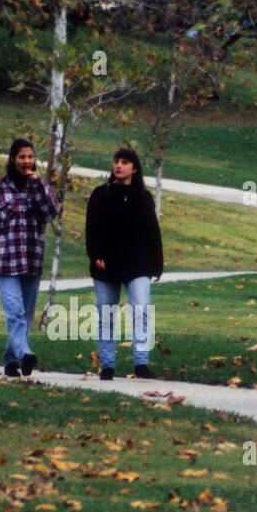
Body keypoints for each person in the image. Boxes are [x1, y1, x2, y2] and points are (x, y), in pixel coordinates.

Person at [0, 138, 61, 377]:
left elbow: (50, 213)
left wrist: (38, 188)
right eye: (22, 157)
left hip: (32, 260)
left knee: (26, 314)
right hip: (4, 260)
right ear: (13, 159)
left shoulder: (41, 186)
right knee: (15, 312)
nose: (27, 161)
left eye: (31, 157)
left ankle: (11, 360)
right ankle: (25, 354)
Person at [85, 147, 163, 380]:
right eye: (116, 161)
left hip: (137, 263)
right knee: (106, 313)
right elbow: (91, 228)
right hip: (106, 263)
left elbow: (153, 232)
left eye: (125, 162)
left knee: (141, 309)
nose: (119, 165)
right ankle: (107, 365)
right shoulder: (101, 194)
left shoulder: (144, 197)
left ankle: (141, 363)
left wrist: (157, 264)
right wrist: (94, 254)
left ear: (134, 168)